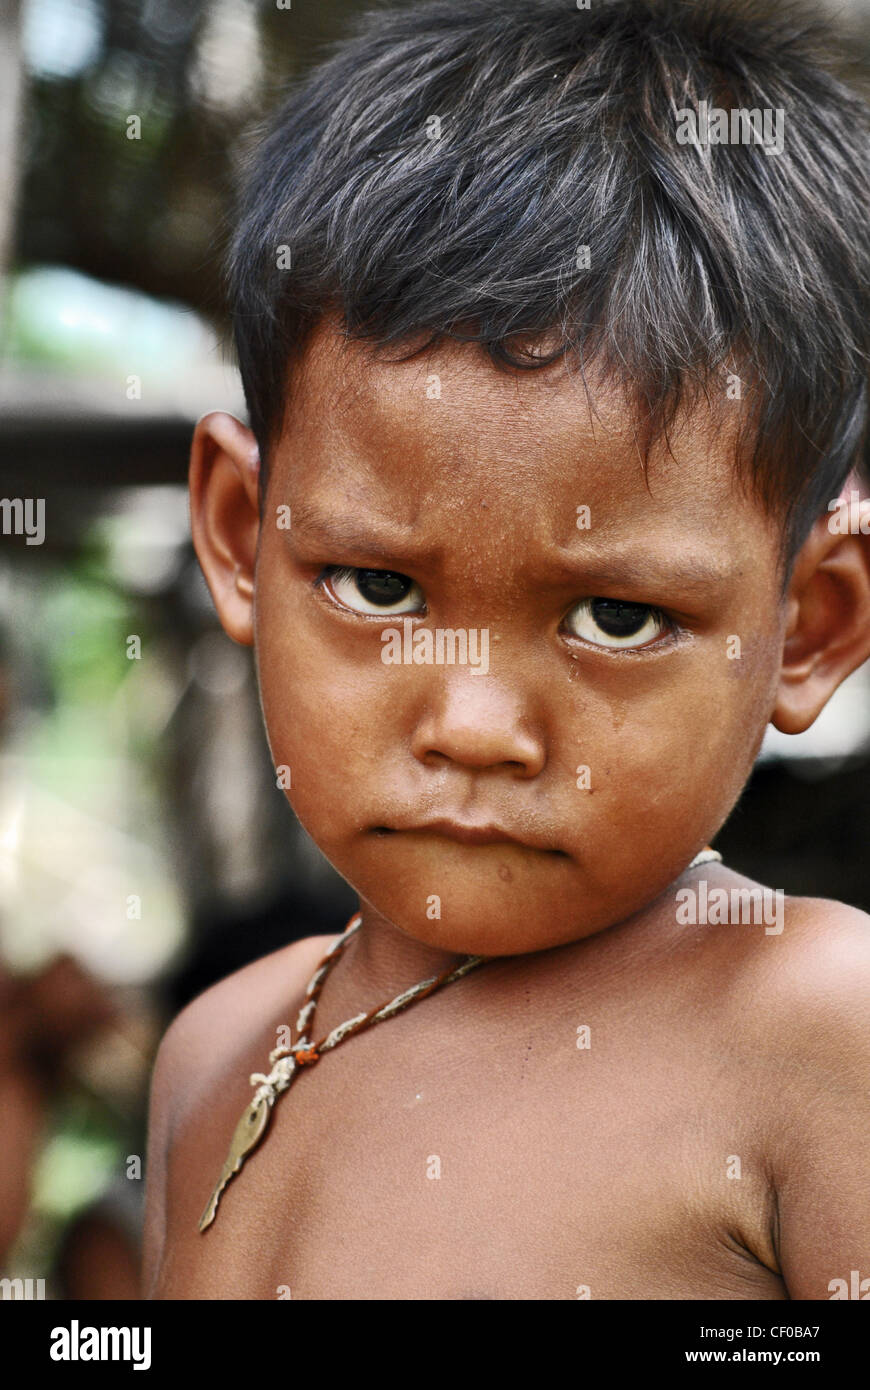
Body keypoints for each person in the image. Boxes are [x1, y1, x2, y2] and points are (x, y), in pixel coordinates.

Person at [143, 0, 870, 1299]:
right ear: (243, 534)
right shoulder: (212, 1050)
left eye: (615, 617)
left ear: (810, 626)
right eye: (376, 585)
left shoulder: (813, 1031)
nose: (474, 723)